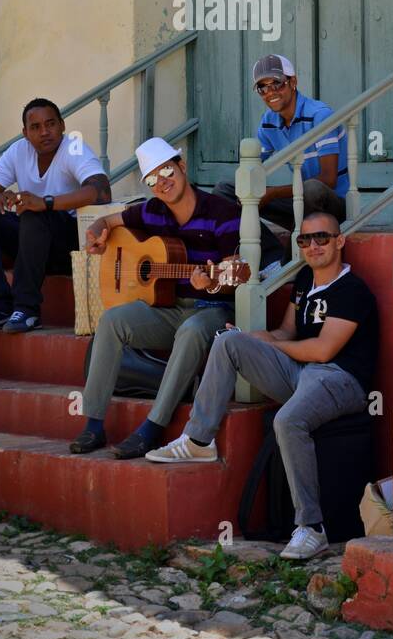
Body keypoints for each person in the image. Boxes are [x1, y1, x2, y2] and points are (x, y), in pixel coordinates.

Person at [146, 210, 378, 562]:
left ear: (340, 241)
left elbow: (323, 349)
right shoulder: (304, 280)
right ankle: (198, 439)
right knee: (227, 342)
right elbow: (287, 333)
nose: (313, 246)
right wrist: (256, 339)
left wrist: (273, 346)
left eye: (322, 238)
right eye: (304, 240)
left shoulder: (352, 289)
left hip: (339, 379)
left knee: (287, 420)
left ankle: (311, 528)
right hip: (302, 373)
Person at [69, 137, 242, 460]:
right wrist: (98, 231)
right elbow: (110, 220)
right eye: (152, 180)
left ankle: (152, 427)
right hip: (168, 308)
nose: (162, 183)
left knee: (191, 331)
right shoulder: (152, 211)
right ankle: (93, 423)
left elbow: (236, 277)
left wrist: (214, 282)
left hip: (214, 308)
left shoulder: (223, 212)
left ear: (182, 166)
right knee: (112, 321)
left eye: (167, 173)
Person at [0, 98, 111, 334]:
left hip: (66, 246)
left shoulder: (73, 147)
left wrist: (46, 202)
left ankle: (27, 309)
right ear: (25, 133)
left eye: (50, 124)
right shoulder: (19, 150)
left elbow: (101, 191)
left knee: (34, 214)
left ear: (62, 125)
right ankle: (0, 300)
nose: (44, 132)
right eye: (35, 127)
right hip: (32, 244)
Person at [215, 54, 348, 263]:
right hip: (300, 206)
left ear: (292, 82)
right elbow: (254, 167)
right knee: (226, 191)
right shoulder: (269, 122)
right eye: (263, 87)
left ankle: (288, 263)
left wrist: (273, 193)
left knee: (312, 188)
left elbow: (329, 180)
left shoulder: (319, 115)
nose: (270, 92)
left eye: (277, 83)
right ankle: (271, 254)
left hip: (332, 206)